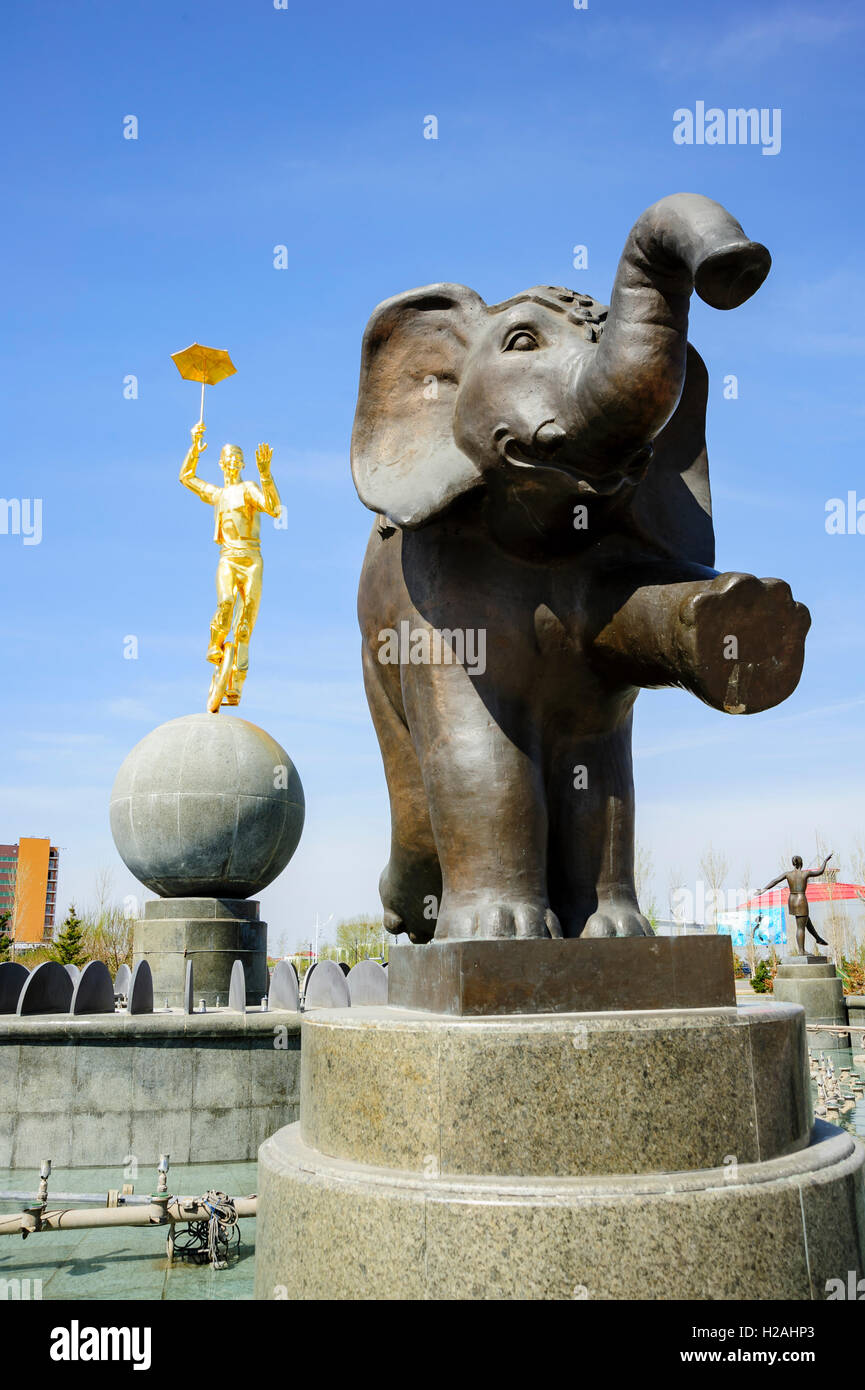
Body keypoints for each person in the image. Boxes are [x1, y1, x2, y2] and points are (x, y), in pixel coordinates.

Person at [180, 421, 281, 706]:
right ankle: (215, 644)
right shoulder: (218, 495)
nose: (233, 463)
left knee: (245, 626)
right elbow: (186, 477)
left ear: (243, 464)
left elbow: (274, 509)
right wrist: (195, 449)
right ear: (222, 464)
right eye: (229, 459)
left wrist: (266, 475)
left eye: (238, 458)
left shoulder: (248, 489)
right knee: (225, 603)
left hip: (251, 559)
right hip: (228, 557)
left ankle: (236, 684)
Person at [758, 853, 833, 956]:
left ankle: (817, 938)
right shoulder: (805, 874)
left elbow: (775, 881)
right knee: (800, 927)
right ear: (801, 863)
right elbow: (820, 871)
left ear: (793, 864)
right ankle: (802, 951)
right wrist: (825, 861)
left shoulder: (788, 874)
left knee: (805, 920)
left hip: (792, 900)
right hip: (801, 899)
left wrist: (763, 890)